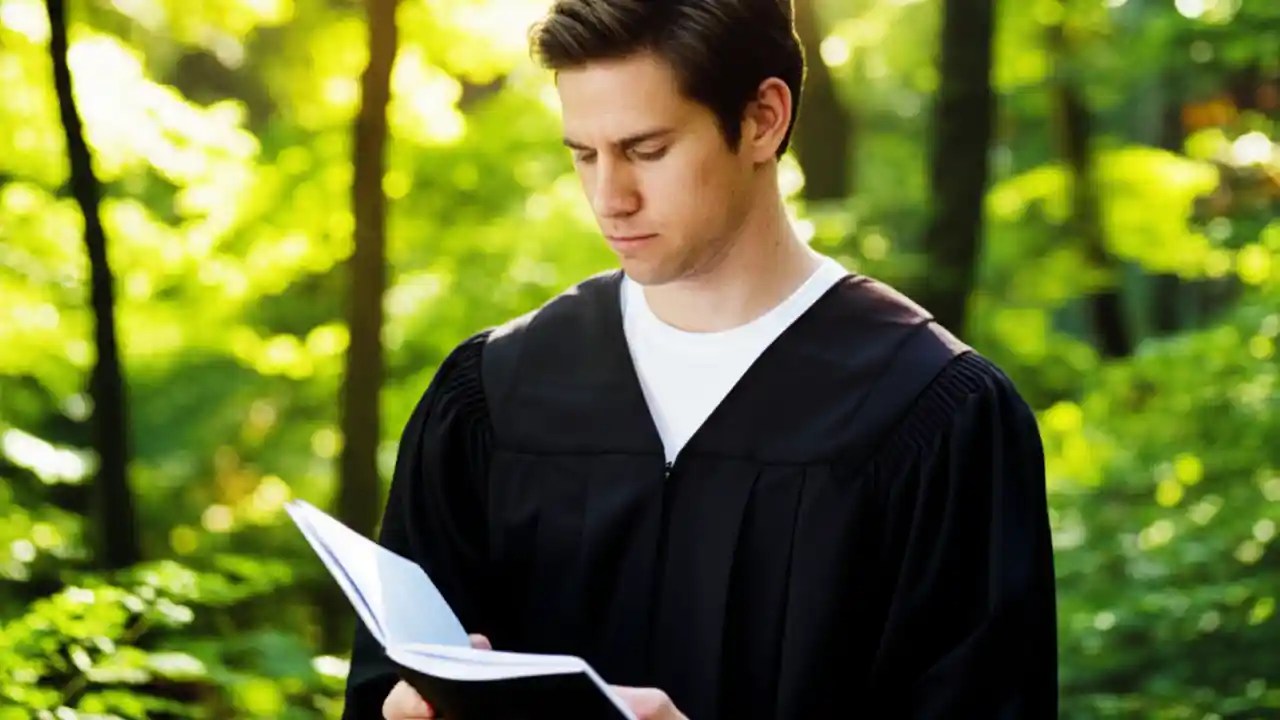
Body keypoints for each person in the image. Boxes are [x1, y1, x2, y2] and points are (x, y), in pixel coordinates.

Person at [344, 0, 1059, 718]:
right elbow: (384, 688)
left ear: (762, 119)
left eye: (646, 150)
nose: (609, 198)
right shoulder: (494, 397)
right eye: (583, 155)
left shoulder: (933, 415)